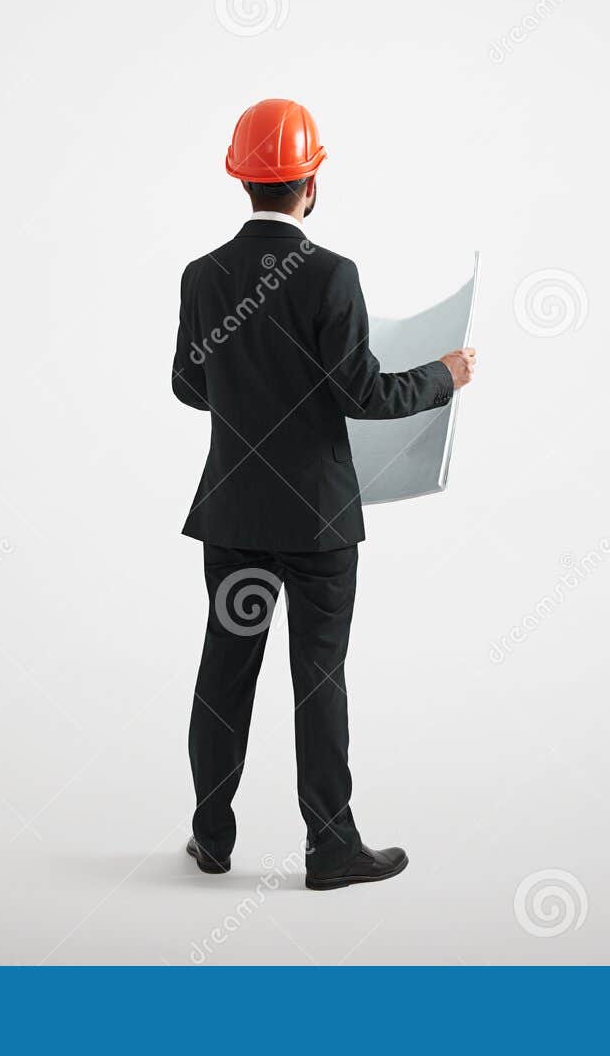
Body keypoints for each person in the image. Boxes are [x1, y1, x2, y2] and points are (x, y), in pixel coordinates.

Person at [171, 98, 476, 890]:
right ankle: (332, 850)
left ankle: (211, 839)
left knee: (225, 674)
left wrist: (248, 391)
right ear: (311, 184)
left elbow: (187, 383)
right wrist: (444, 375)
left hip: (234, 516)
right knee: (319, 679)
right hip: (317, 526)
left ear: (241, 181)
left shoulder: (203, 277)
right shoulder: (331, 275)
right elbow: (362, 394)